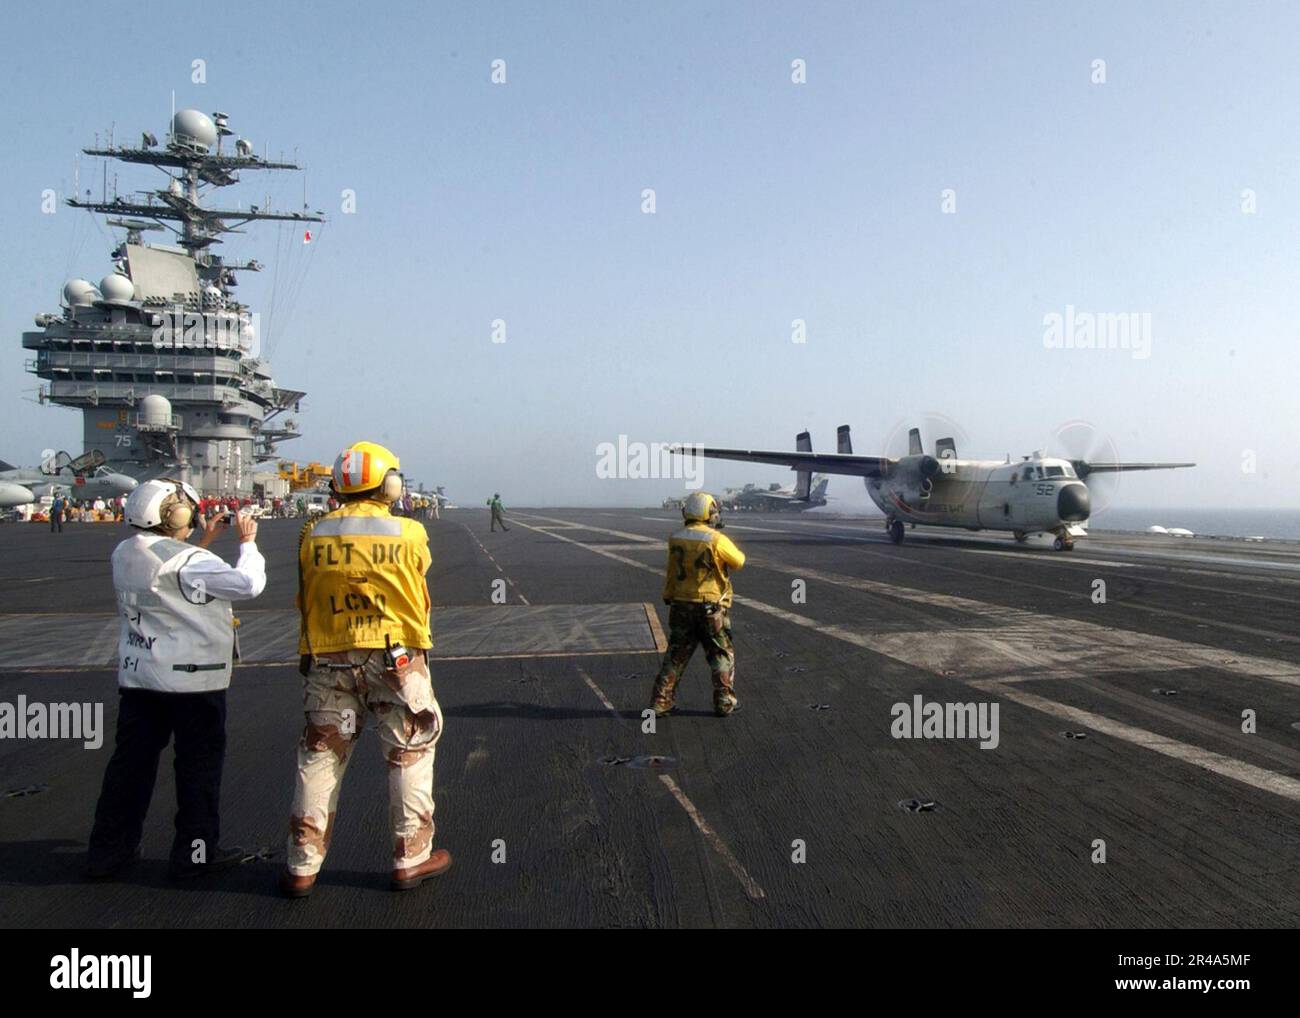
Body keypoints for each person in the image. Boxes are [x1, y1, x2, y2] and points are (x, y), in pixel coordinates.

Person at [282, 440, 448, 897]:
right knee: (409, 751)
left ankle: (302, 865)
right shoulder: (409, 532)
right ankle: (411, 856)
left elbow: (305, 597)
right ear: (390, 484)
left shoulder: (313, 534)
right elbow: (419, 576)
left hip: (329, 657)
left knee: (320, 756)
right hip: (395, 659)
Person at [87, 479, 266, 880]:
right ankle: (196, 856)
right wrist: (247, 542)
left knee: (129, 768)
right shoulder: (187, 562)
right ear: (177, 514)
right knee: (197, 772)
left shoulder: (124, 553)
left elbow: (170, 576)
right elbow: (248, 584)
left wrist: (203, 540)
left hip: (140, 680)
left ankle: (108, 852)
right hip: (193, 685)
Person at [649, 492, 746, 718]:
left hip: (680, 605)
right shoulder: (716, 539)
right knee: (720, 655)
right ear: (708, 513)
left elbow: (672, 572)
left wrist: (668, 594)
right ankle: (724, 702)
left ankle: (660, 702)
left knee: (675, 656)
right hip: (709, 607)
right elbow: (739, 561)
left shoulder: (675, 538)